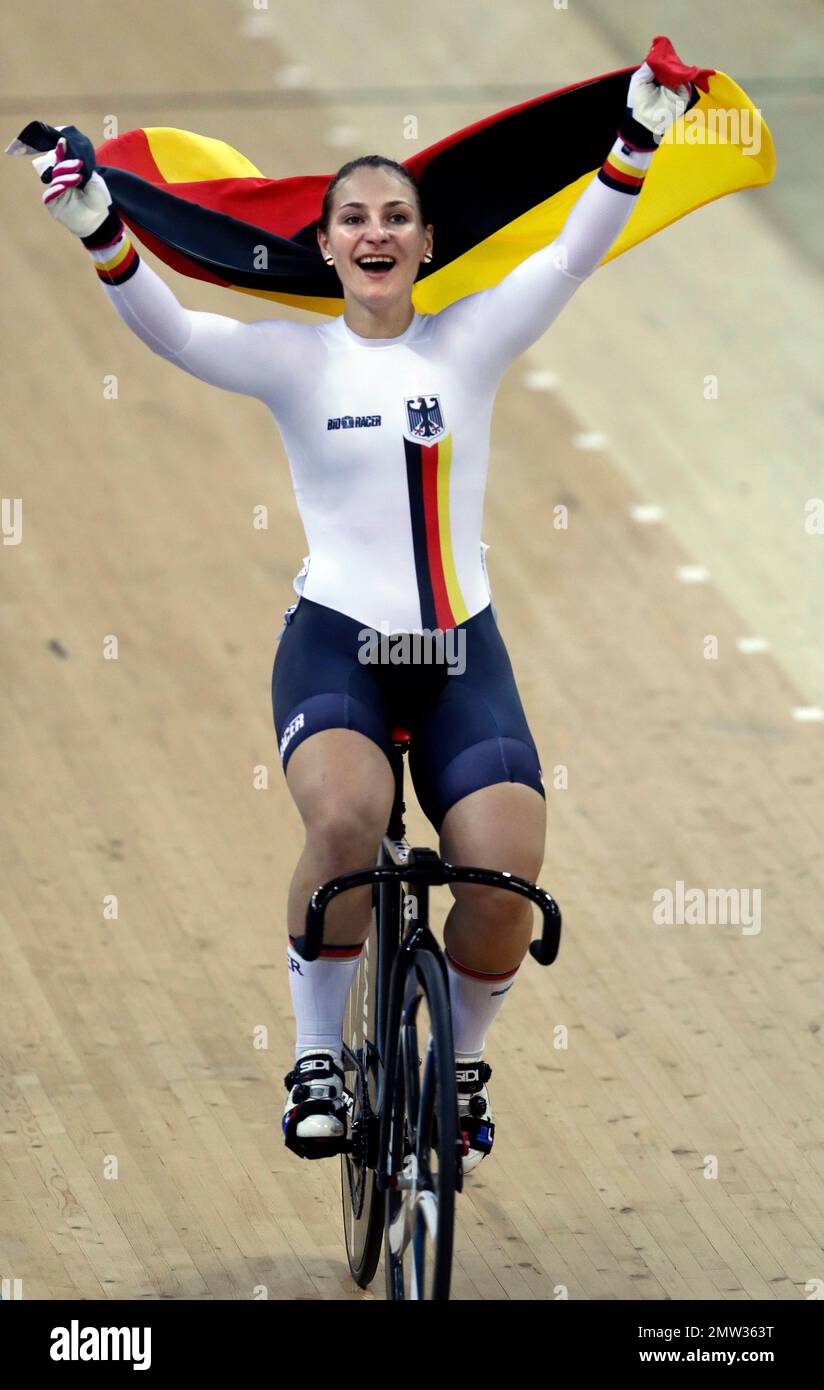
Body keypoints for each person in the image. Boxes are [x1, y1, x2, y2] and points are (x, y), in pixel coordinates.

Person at [38, 60, 691, 1171]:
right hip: (338, 650)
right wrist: (102, 230)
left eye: (396, 214)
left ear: (425, 242)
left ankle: (465, 1064)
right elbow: (179, 335)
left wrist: (634, 137)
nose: (375, 231)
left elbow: (573, 251)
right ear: (328, 246)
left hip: (456, 657)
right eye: (353, 217)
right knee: (344, 827)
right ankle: (312, 1056)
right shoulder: (299, 358)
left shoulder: (472, 339)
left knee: (503, 874)